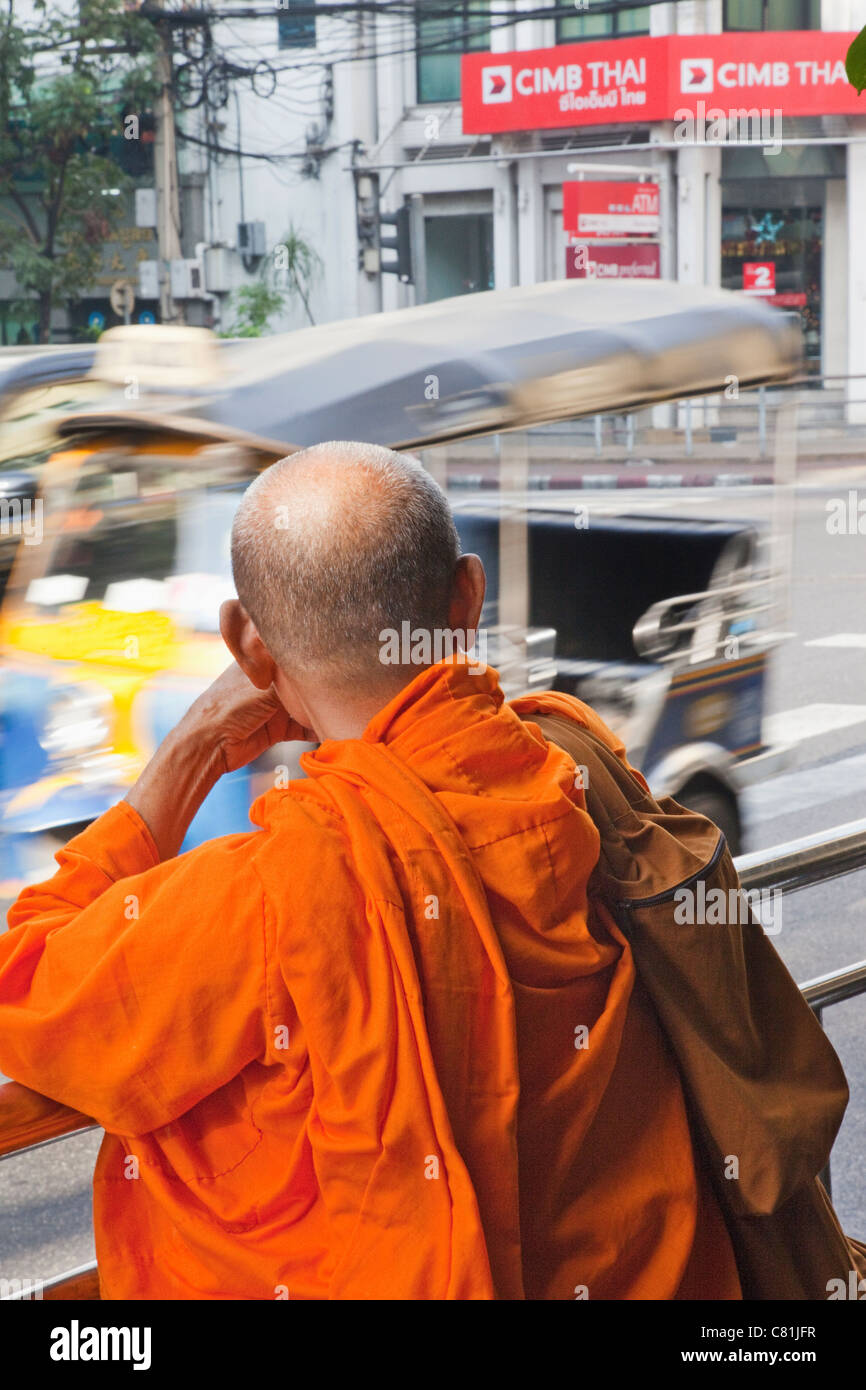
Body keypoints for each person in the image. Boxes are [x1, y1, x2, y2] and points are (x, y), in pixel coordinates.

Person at [0, 441, 741, 1300]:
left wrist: (189, 753)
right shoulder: (581, 775)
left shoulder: (270, 889)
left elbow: (27, 991)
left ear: (245, 642)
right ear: (468, 597)